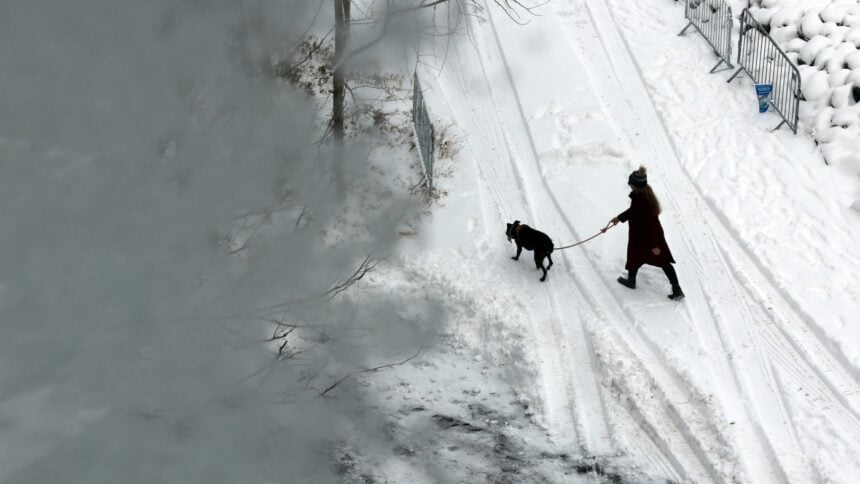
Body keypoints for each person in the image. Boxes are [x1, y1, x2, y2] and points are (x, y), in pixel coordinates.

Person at [607, 166, 685, 300]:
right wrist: (619, 218)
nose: (629, 185)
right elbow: (633, 212)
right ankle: (631, 280)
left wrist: (654, 245)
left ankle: (677, 289)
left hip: (649, 238)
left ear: (634, 185)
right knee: (634, 257)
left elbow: (651, 225)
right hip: (641, 237)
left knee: (663, 261)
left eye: (630, 183)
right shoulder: (641, 196)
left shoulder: (643, 201)